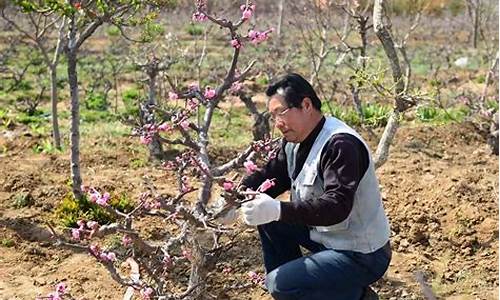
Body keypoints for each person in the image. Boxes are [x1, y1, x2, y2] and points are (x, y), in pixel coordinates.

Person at [240, 73, 391, 300]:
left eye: (280, 112)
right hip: (327, 238)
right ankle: (305, 287)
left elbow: (337, 206)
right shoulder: (294, 142)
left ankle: (355, 295)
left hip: (361, 253)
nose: (277, 123)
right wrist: (234, 197)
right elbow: (273, 174)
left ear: (306, 105)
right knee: (270, 224)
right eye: (272, 117)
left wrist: (279, 209)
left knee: (279, 284)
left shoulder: (341, 145)